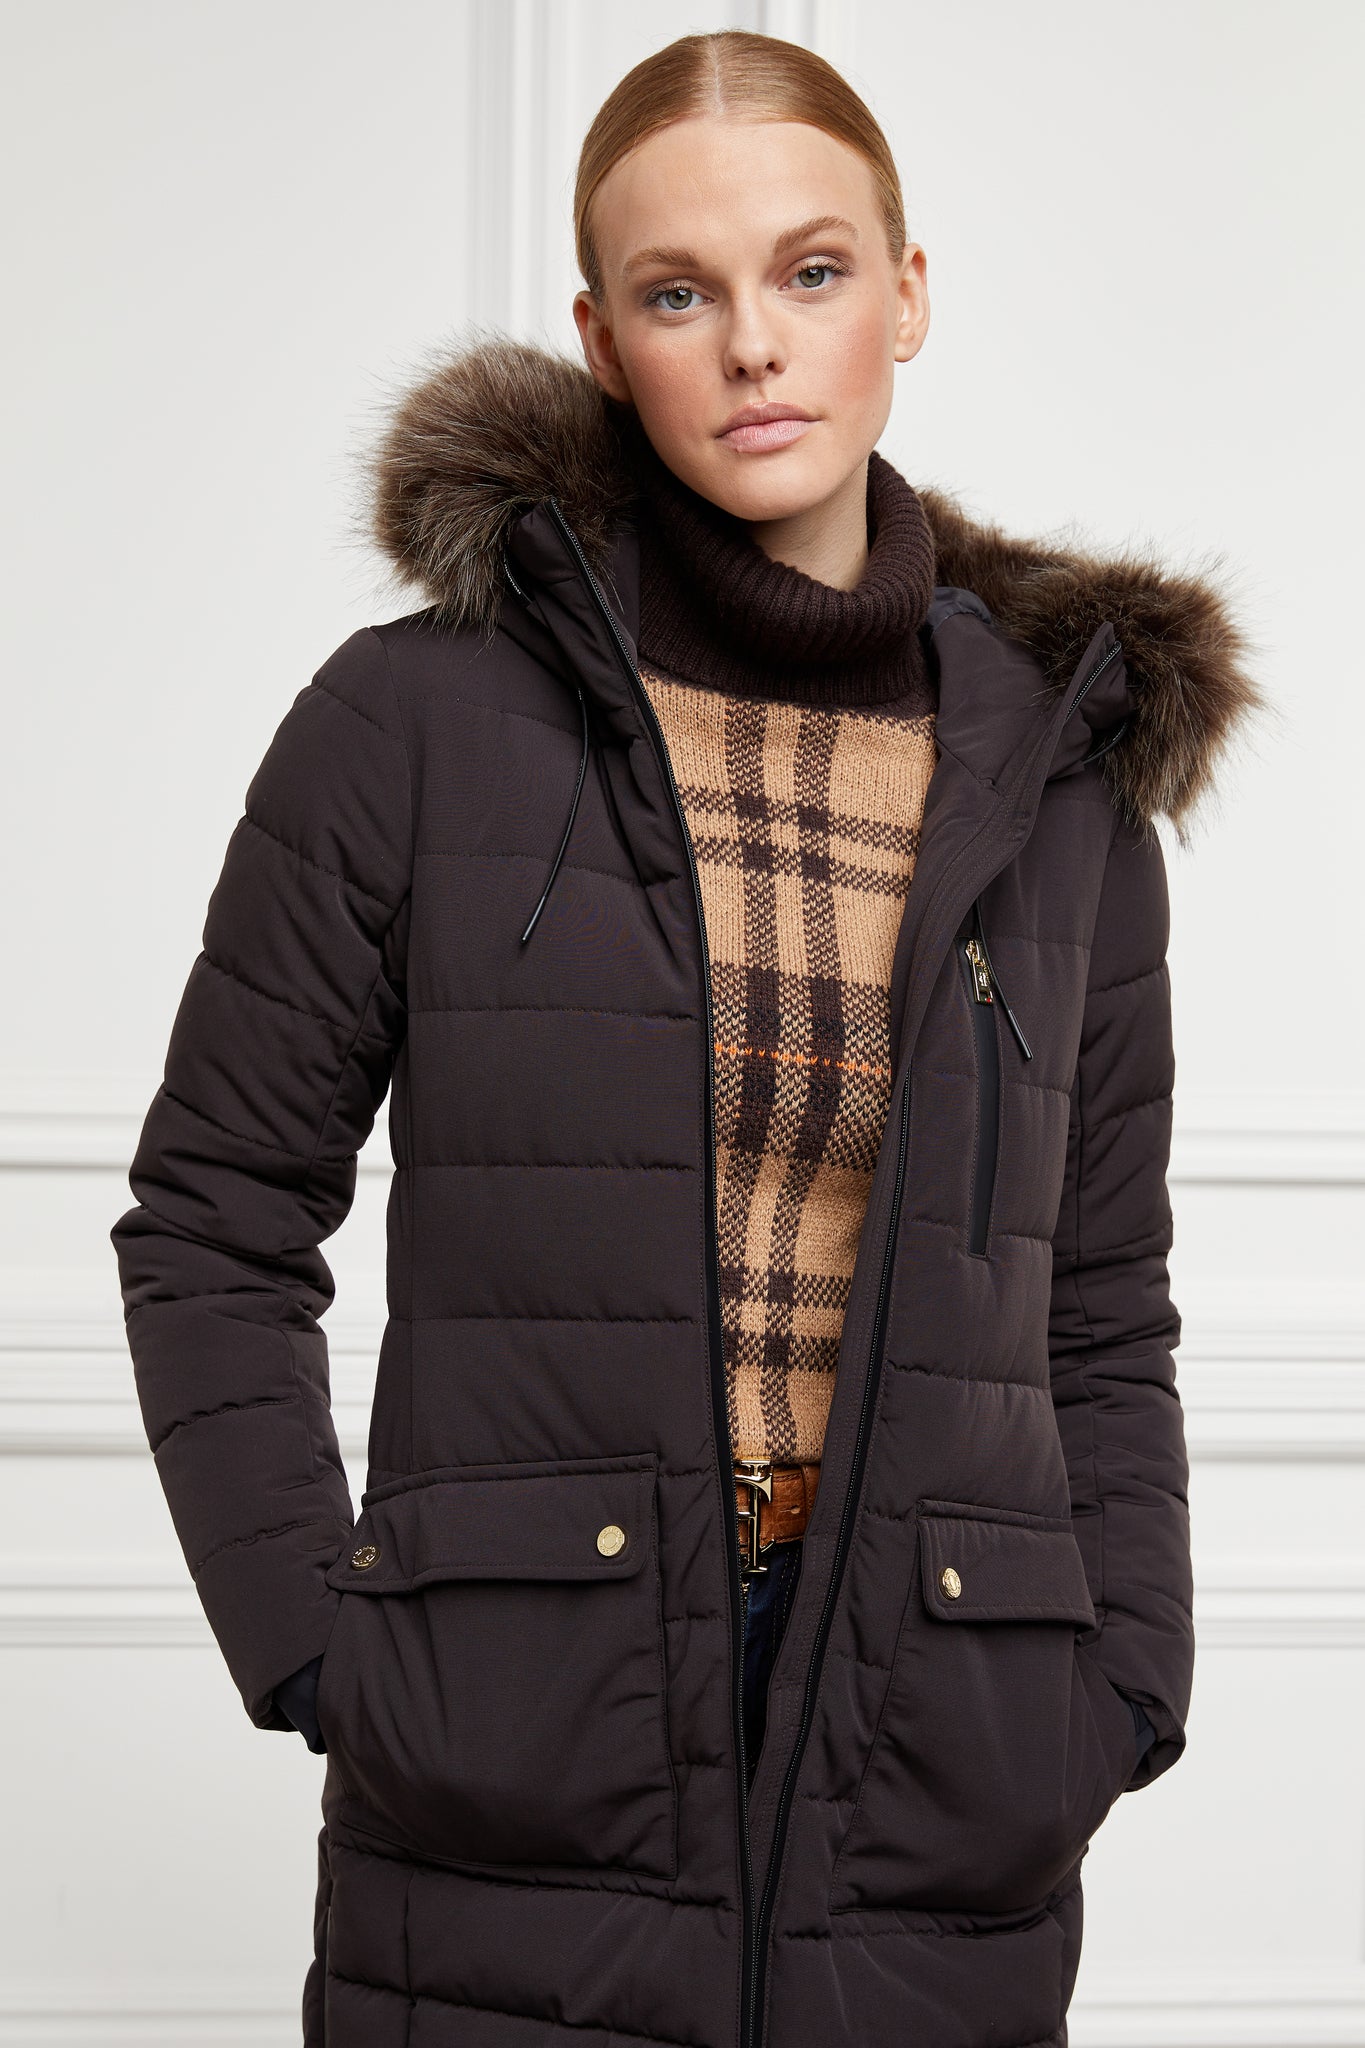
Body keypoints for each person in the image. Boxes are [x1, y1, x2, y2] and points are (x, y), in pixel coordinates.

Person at [110, 28, 1260, 2048]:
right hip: (515, 1735)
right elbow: (214, 1221)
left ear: (907, 291)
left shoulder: (1060, 785)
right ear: (599, 337)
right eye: (675, 292)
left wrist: (1121, 1681)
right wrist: (315, 1645)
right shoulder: (410, 725)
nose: (751, 345)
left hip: (940, 1748)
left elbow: (1099, 1303)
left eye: (810, 271)